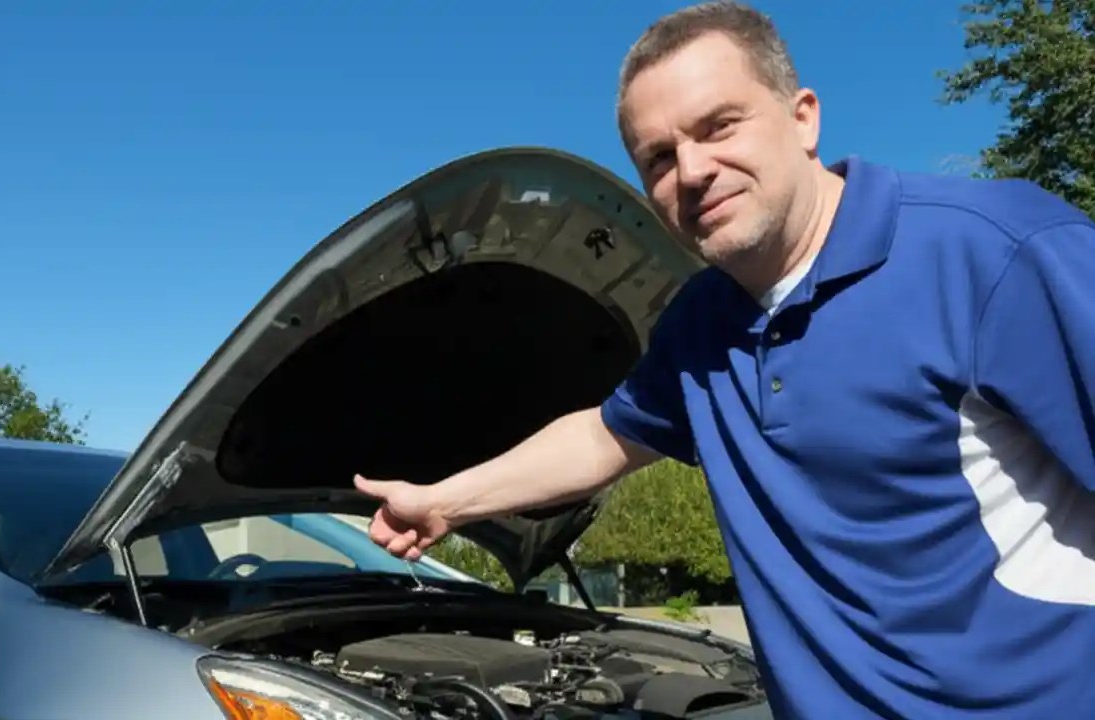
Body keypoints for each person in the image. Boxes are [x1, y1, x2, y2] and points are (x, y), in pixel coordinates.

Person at [355, 1, 1095, 717]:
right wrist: (443, 502)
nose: (694, 170)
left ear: (803, 117)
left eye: (719, 126)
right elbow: (602, 437)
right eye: (660, 158)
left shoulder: (996, 253)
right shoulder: (700, 325)